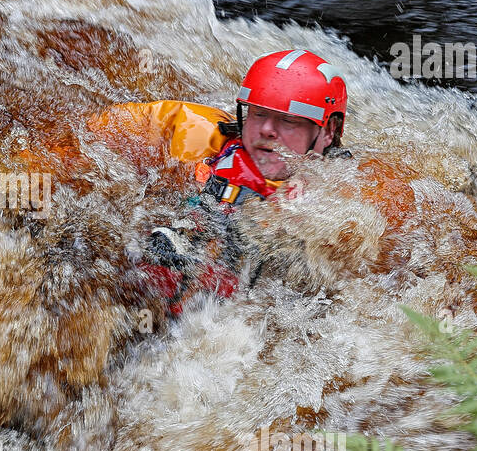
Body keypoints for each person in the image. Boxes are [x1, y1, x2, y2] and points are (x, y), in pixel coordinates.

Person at [91, 49, 350, 313]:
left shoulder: (343, 196)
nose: (267, 130)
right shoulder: (191, 131)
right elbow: (82, 135)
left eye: (288, 120)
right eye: (258, 114)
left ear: (328, 131)